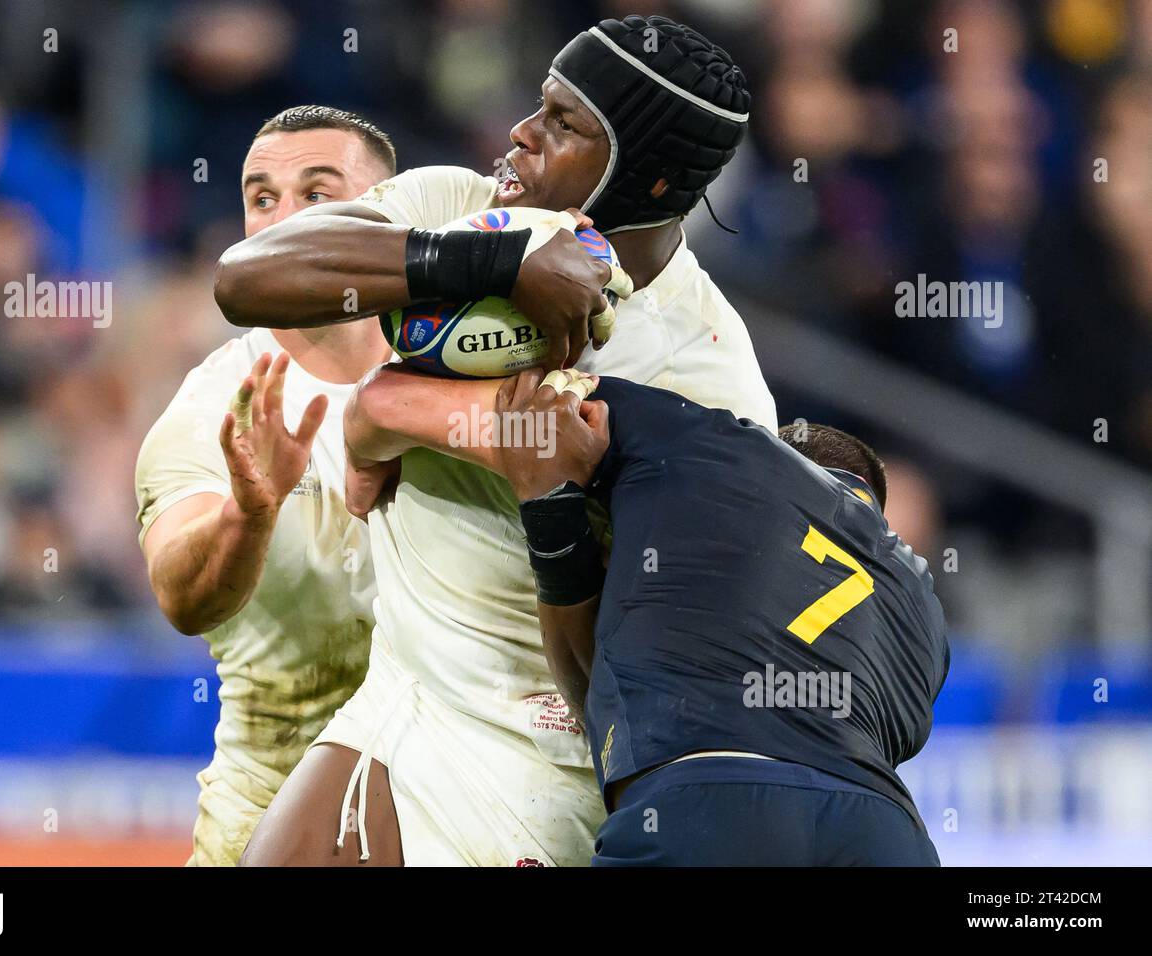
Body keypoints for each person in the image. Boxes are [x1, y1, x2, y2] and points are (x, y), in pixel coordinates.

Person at [233, 16, 777, 867]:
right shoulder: (468, 207)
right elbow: (249, 277)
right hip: (398, 696)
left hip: (532, 762)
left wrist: (415, 421)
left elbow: (653, 689)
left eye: (566, 125)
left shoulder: (704, 381)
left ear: (652, 180)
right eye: (540, 105)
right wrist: (484, 266)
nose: (522, 132)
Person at [486, 368, 948, 865]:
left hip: (711, 805)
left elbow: (543, 415)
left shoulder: (724, 447)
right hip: (887, 832)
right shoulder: (926, 609)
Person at [134, 106, 395, 866]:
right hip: (269, 823)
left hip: (453, 811)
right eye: (261, 198)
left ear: (388, 216)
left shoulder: (463, 375)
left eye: (317, 194)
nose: (282, 220)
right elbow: (183, 598)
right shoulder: (210, 411)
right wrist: (251, 515)